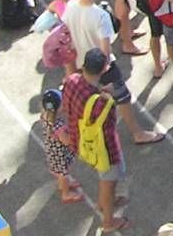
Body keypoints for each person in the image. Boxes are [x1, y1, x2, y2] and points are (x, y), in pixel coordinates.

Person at [62, 0, 167, 145]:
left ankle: (82, 132)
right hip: (100, 66)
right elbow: (105, 47)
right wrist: (106, 67)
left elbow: (65, 34)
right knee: (123, 98)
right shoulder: (100, 16)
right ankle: (138, 133)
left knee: (85, 98)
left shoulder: (71, 7)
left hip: (80, 63)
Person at [63, 49, 132, 232]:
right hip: (103, 151)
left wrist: (101, 91)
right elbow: (109, 133)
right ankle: (108, 221)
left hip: (79, 141)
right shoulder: (103, 103)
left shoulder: (71, 81)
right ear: (103, 70)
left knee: (106, 180)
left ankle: (105, 202)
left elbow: (68, 106)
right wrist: (106, 96)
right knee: (108, 183)